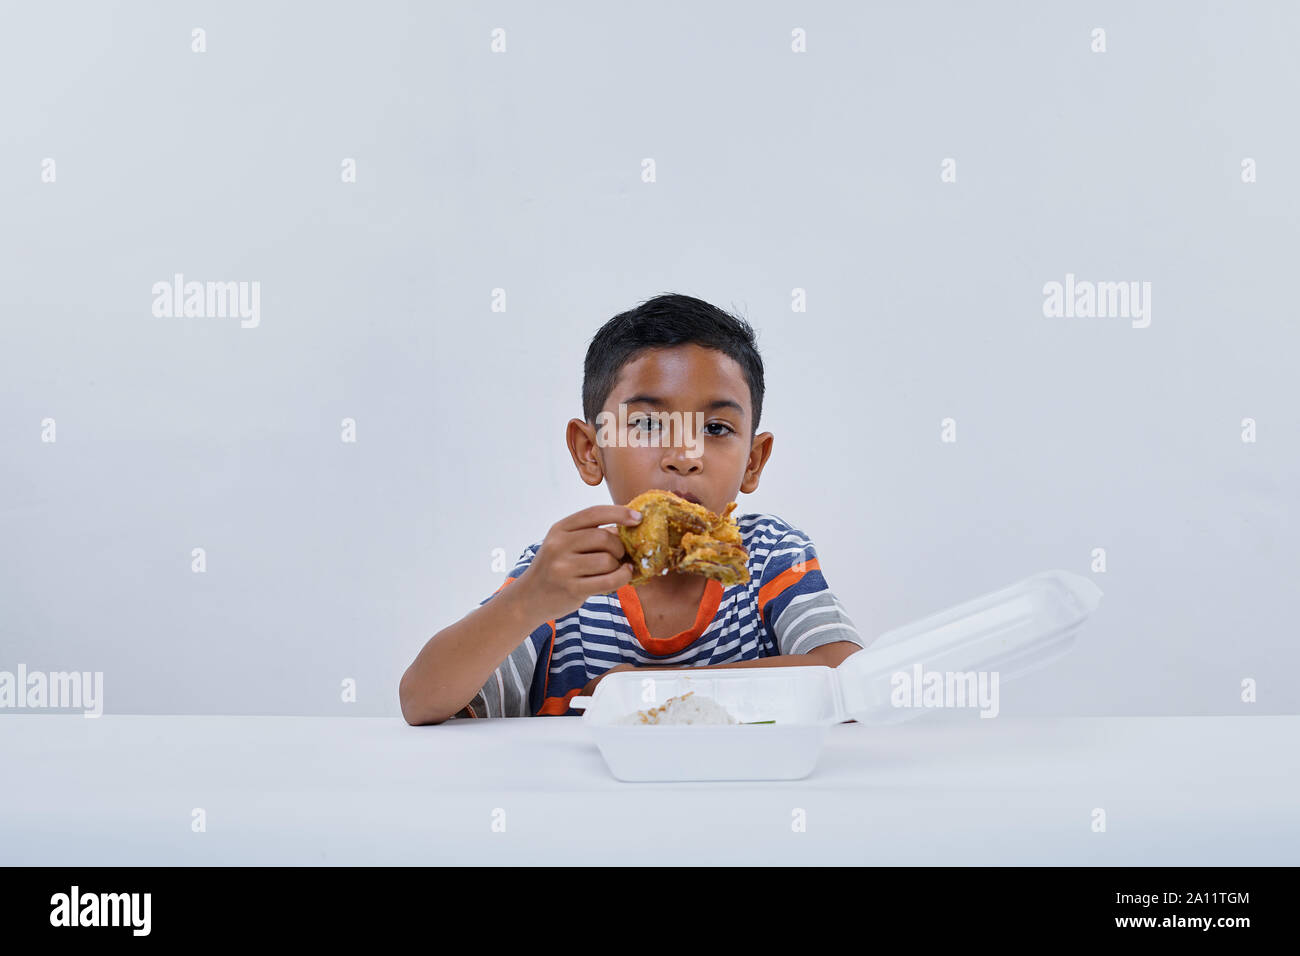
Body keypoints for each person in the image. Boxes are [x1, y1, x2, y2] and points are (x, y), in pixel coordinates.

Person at [399, 293, 867, 725]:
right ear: (590, 450)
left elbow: (848, 677)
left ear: (754, 460)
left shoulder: (769, 557)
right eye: (646, 423)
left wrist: (647, 691)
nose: (684, 455)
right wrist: (527, 600)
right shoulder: (563, 577)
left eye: (717, 428)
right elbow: (423, 702)